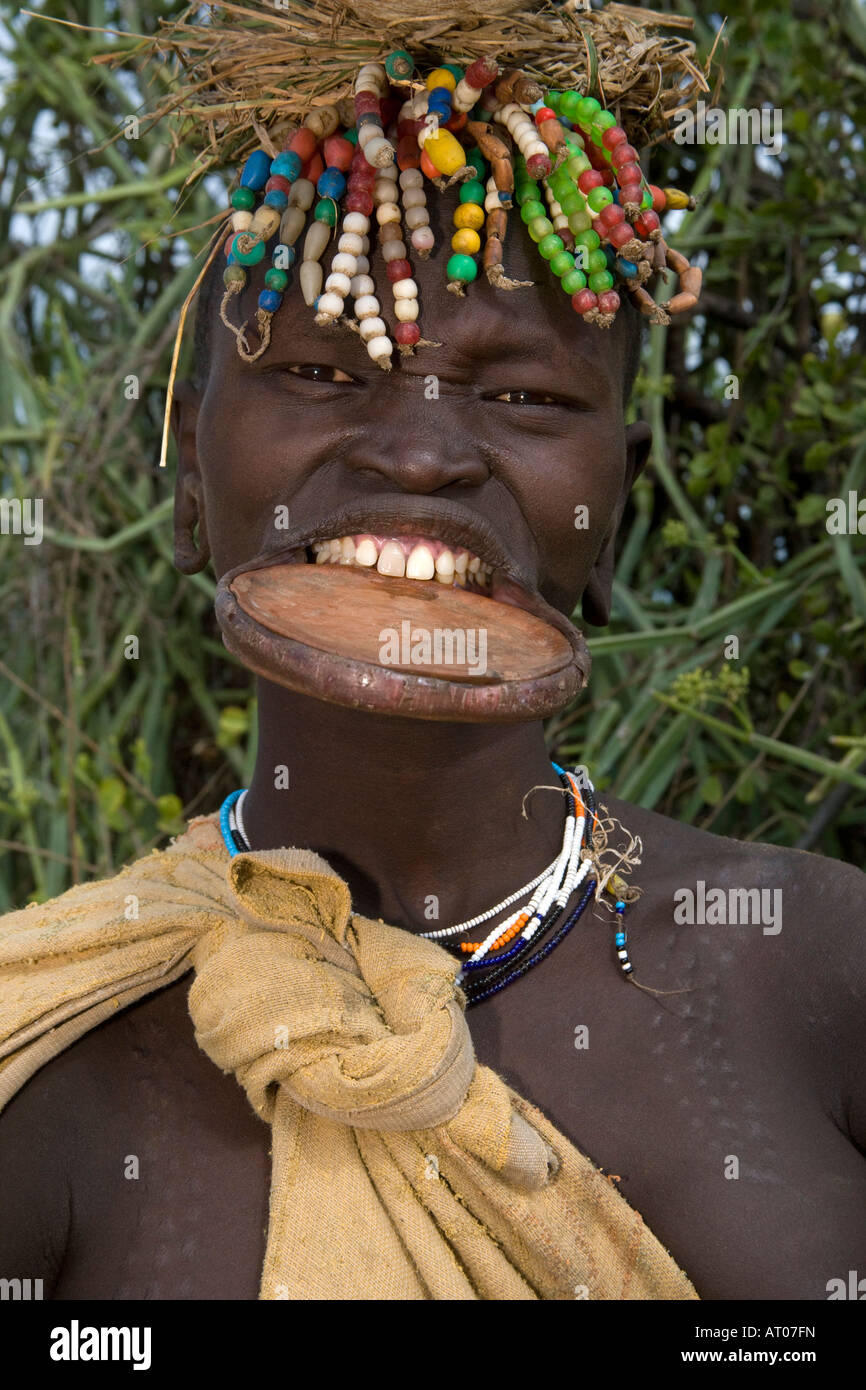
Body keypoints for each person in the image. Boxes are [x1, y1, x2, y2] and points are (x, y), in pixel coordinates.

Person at [0, 3, 864, 1302]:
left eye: (521, 395)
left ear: (613, 500)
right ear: (187, 468)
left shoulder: (821, 966)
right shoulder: (47, 1037)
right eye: (320, 370)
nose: (418, 455)